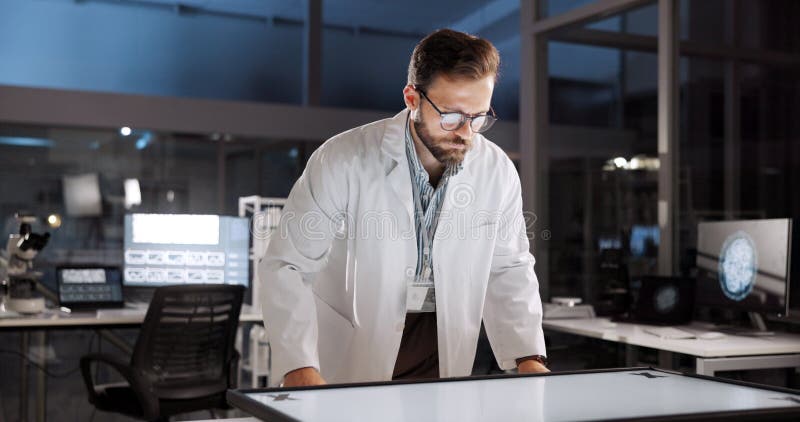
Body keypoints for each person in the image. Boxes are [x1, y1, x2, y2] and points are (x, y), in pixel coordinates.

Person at [259, 28, 548, 387]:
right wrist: (298, 366)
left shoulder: (496, 169)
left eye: (478, 117)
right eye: (452, 116)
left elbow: (509, 268)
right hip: (354, 346)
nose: (467, 133)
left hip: (440, 346)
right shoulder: (343, 158)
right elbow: (287, 266)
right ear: (412, 98)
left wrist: (528, 357)